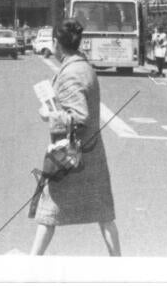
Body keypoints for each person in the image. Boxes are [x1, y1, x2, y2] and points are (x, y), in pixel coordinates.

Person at [29, 20, 120, 256]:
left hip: (72, 156)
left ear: (58, 44)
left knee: (48, 210)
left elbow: (80, 117)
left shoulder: (71, 73)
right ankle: (119, 264)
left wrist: (48, 114)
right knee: (104, 213)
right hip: (92, 153)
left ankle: (31, 265)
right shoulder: (84, 66)